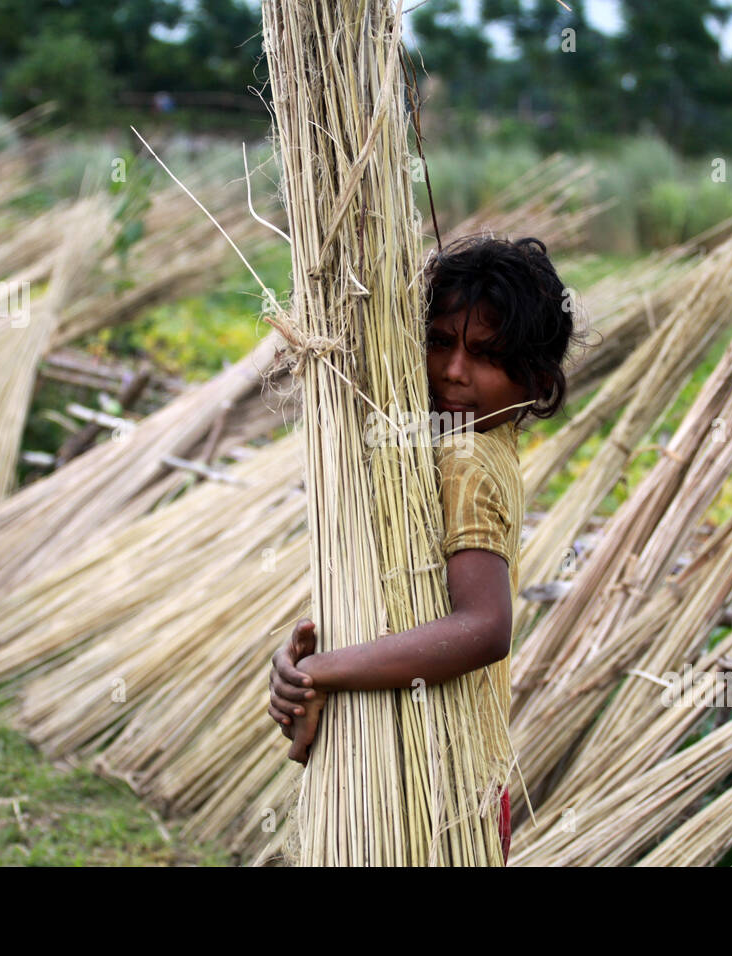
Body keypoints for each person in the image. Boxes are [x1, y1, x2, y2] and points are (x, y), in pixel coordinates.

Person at [266, 234, 586, 863]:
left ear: (537, 379)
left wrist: (322, 671)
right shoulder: (475, 446)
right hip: (434, 774)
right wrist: (304, 675)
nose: (453, 372)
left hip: (432, 792)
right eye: (439, 342)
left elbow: (485, 627)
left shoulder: (464, 458)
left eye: (486, 355)